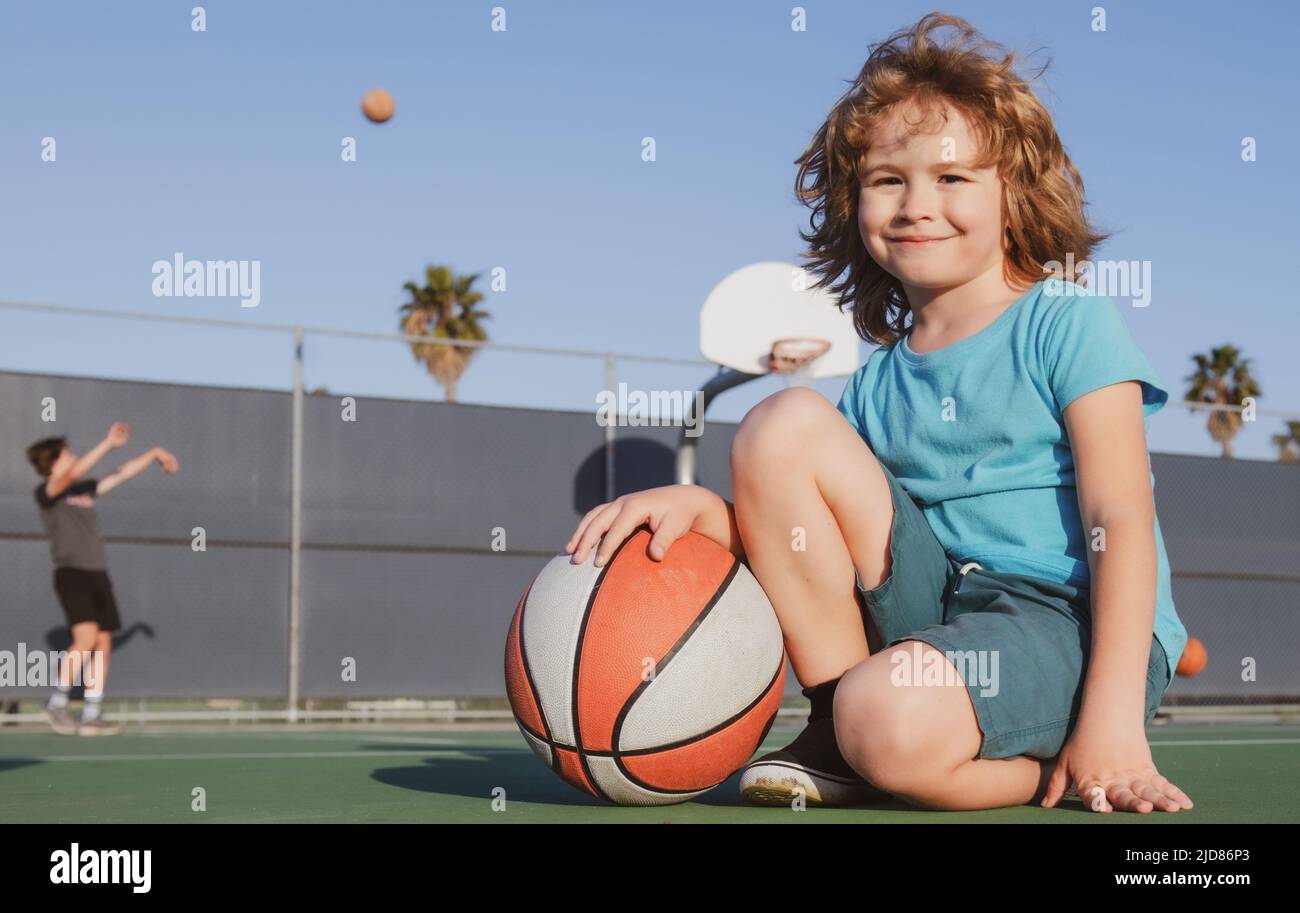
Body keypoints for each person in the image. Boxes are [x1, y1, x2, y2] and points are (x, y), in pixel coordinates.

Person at [564, 13, 1192, 814]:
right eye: (888, 179)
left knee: (887, 717)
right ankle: (836, 725)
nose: (915, 204)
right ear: (854, 202)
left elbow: (1121, 517)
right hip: (943, 613)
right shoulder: (875, 382)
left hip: (1066, 623)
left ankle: (1059, 762)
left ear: (1014, 198)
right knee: (782, 426)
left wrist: (1112, 722)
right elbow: (809, 539)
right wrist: (700, 513)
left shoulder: (1067, 320)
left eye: (953, 177)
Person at [26, 423, 179, 735]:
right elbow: (67, 477)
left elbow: (120, 474)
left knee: (103, 643)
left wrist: (152, 454)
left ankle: (91, 714)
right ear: (53, 462)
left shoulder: (83, 490)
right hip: (72, 574)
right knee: (85, 639)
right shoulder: (47, 493)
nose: (73, 458)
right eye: (67, 454)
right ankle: (56, 704)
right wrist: (107, 444)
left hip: (97, 573)